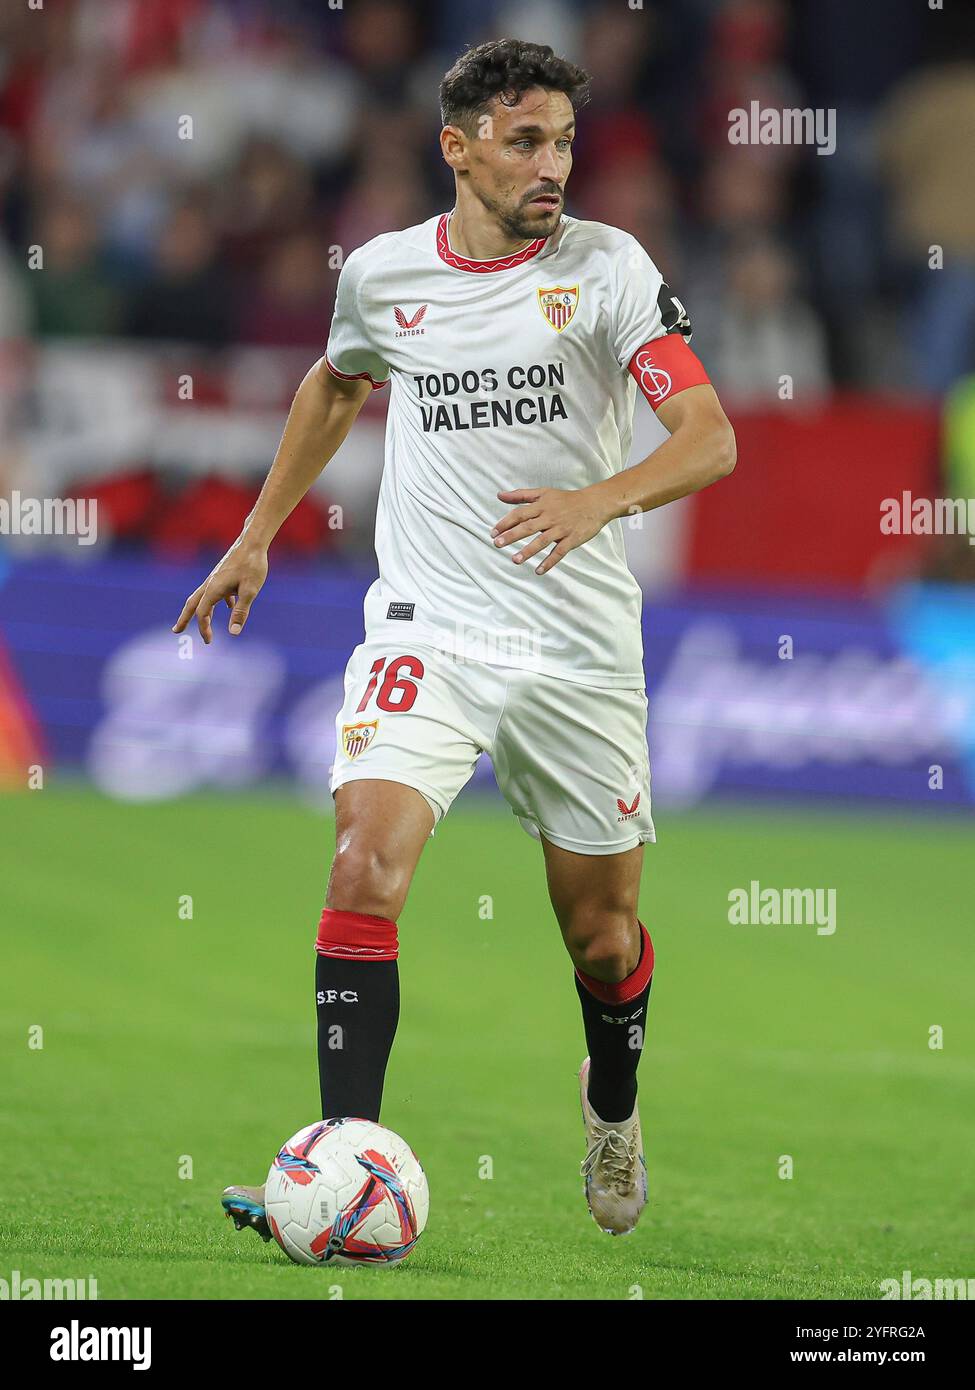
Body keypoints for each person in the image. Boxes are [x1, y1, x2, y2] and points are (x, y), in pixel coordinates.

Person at [173, 39, 736, 1243]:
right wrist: (259, 533)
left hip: (577, 641)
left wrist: (600, 499)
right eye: (528, 140)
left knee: (602, 937)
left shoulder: (606, 271)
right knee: (362, 863)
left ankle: (614, 1102)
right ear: (460, 146)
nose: (555, 166)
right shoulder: (381, 275)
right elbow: (336, 384)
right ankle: (337, 1165)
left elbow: (707, 436)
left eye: (567, 142)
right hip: (432, 620)